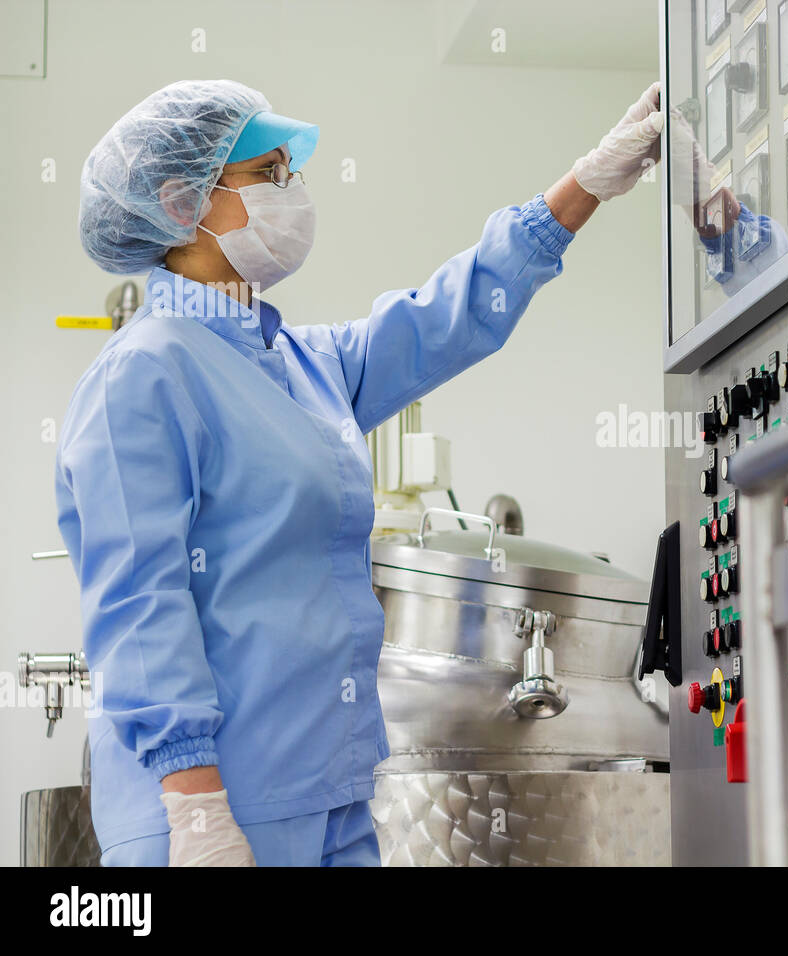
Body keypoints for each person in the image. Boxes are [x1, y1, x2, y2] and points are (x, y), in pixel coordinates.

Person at [57, 78, 663, 866]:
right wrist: (195, 802)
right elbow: (139, 601)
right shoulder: (143, 373)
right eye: (269, 174)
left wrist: (584, 185)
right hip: (213, 810)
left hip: (332, 794)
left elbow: (446, 316)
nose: (292, 194)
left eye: (291, 174)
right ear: (184, 204)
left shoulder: (295, 363)